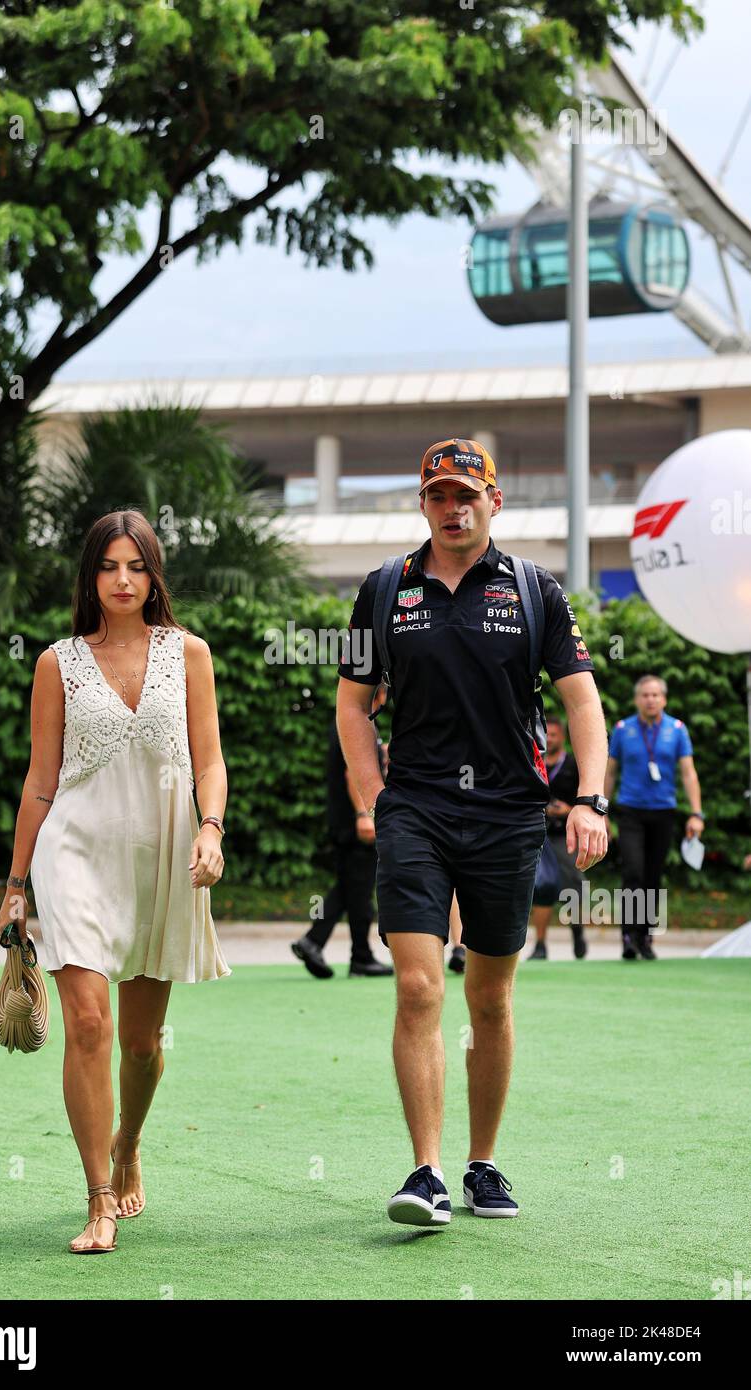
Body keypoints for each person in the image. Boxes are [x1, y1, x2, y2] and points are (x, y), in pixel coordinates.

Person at [336, 437, 609, 1226]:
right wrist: (374, 795)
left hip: (508, 814)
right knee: (419, 984)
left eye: (468, 496)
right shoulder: (386, 589)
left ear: (495, 502)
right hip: (416, 809)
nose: (454, 509)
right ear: (422, 504)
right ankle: (426, 1173)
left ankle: (483, 1164)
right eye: (439, 496)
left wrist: (589, 799)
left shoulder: (535, 591)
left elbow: (582, 702)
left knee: (489, 996)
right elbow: (354, 704)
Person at [0, 509, 230, 1254]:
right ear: (89, 578)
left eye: (136, 566)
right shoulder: (55, 663)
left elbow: (211, 760)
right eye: (108, 567)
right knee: (89, 1026)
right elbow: (40, 780)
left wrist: (211, 827)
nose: (123, 580)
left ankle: (129, 1143)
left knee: (141, 1043)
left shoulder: (189, 653)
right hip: (76, 851)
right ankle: (97, 1195)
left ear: (154, 575)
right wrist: (16, 883)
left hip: (162, 857)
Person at [292, 684, 393, 978]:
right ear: (379, 694)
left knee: (351, 886)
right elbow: (353, 771)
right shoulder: (361, 722)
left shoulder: (346, 720)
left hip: (343, 819)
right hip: (354, 821)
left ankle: (315, 942)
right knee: (359, 890)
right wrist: (365, 814)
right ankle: (358, 956)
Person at [605, 674, 705, 961]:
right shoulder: (624, 730)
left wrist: (696, 813)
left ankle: (646, 936)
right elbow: (610, 772)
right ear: (637, 699)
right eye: (645, 695)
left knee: (652, 876)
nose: (650, 700)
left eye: (655, 695)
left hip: (663, 811)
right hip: (631, 811)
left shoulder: (677, 730)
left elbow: (688, 773)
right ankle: (628, 935)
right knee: (633, 872)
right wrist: (600, 810)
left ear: (664, 699)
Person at [528, 716, 587, 960]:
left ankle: (577, 931)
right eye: (546, 734)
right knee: (542, 886)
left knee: (573, 886)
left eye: (554, 735)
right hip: (537, 832)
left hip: (566, 835)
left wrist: (569, 809)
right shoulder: (532, 761)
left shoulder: (573, 764)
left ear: (562, 737)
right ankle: (540, 944)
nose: (550, 738)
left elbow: (585, 798)